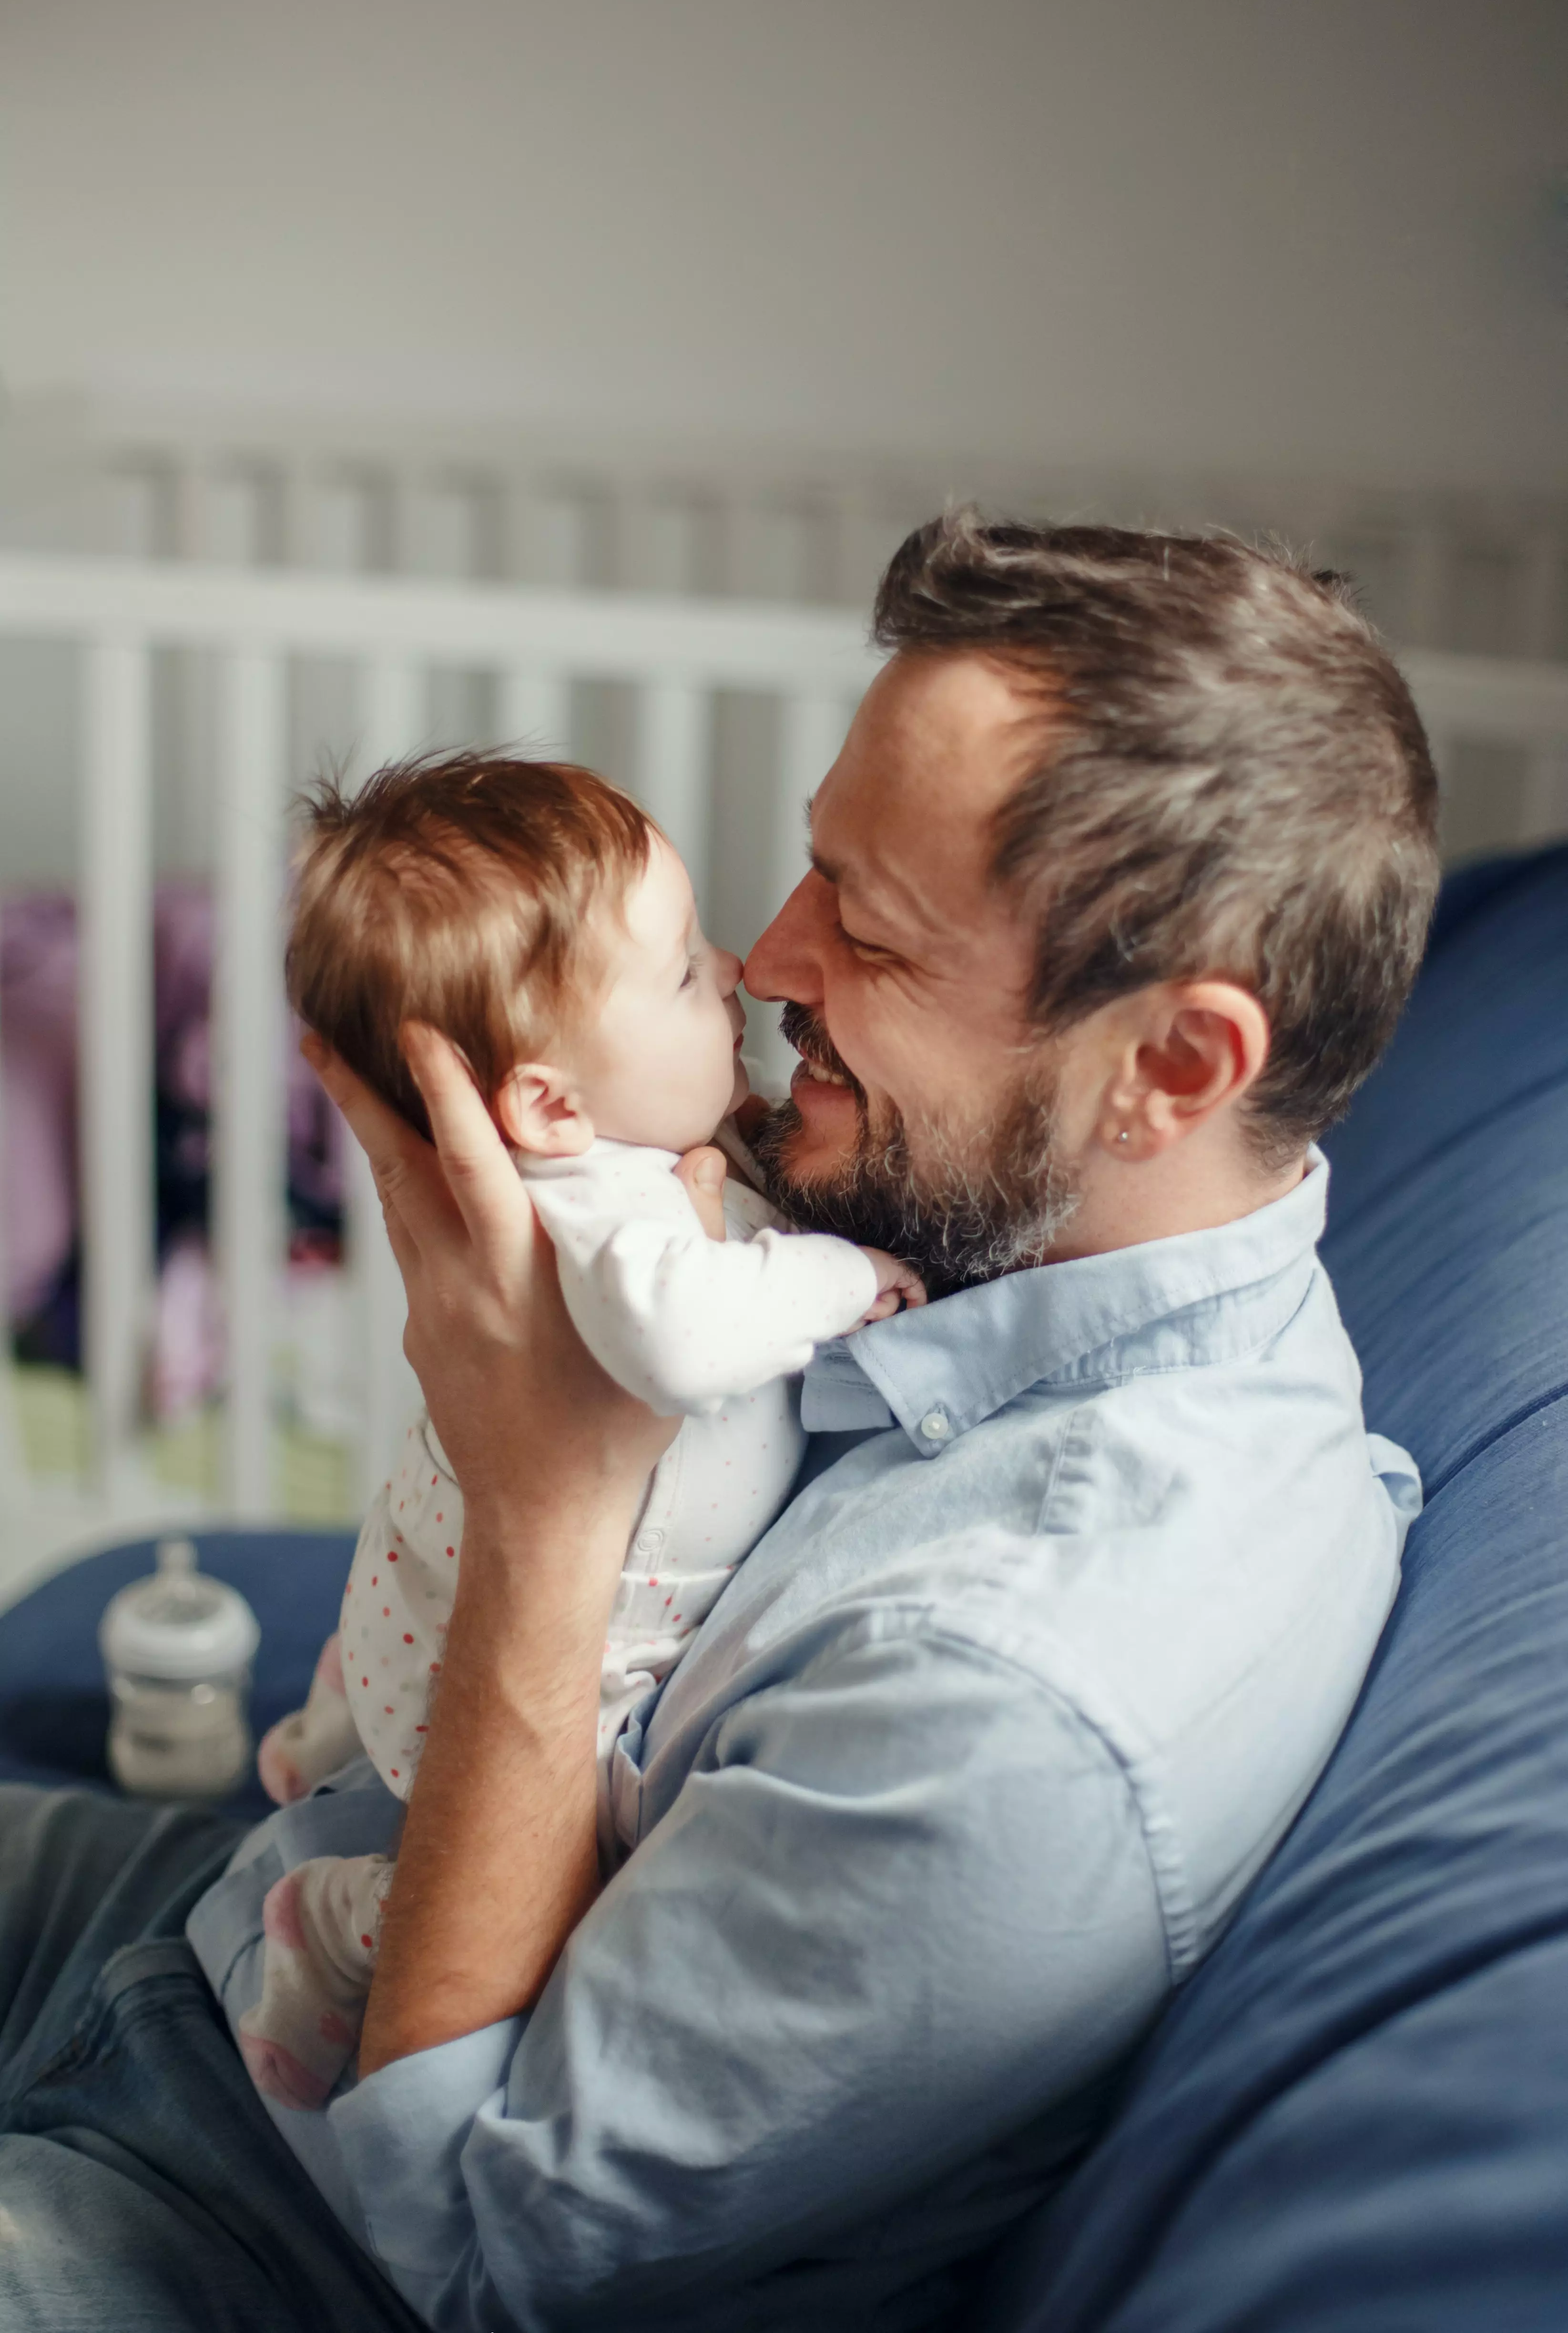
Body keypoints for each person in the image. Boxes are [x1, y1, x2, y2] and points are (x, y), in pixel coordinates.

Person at [0, 512, 1437, 2333]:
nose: (765, 962)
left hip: (257, 2224)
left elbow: (453, 2230)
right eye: (815, 873)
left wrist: (537, 1502)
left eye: (875, 931)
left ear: (1170, 1065)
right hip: (226, 1927)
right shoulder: (1004, 1237)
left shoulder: (1010, 1712)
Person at [238, 755, 919, 2109]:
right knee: (587, 1853)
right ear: (550, 1103)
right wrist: (849, 1278)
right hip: (577, 1642)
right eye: (679, 975)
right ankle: (329, 1920)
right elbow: (682, 1334)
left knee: (410, 1612)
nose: (732, 967)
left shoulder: (607, 1160)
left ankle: (318, 1742)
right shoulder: (603, 1205)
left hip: (423, 1582)